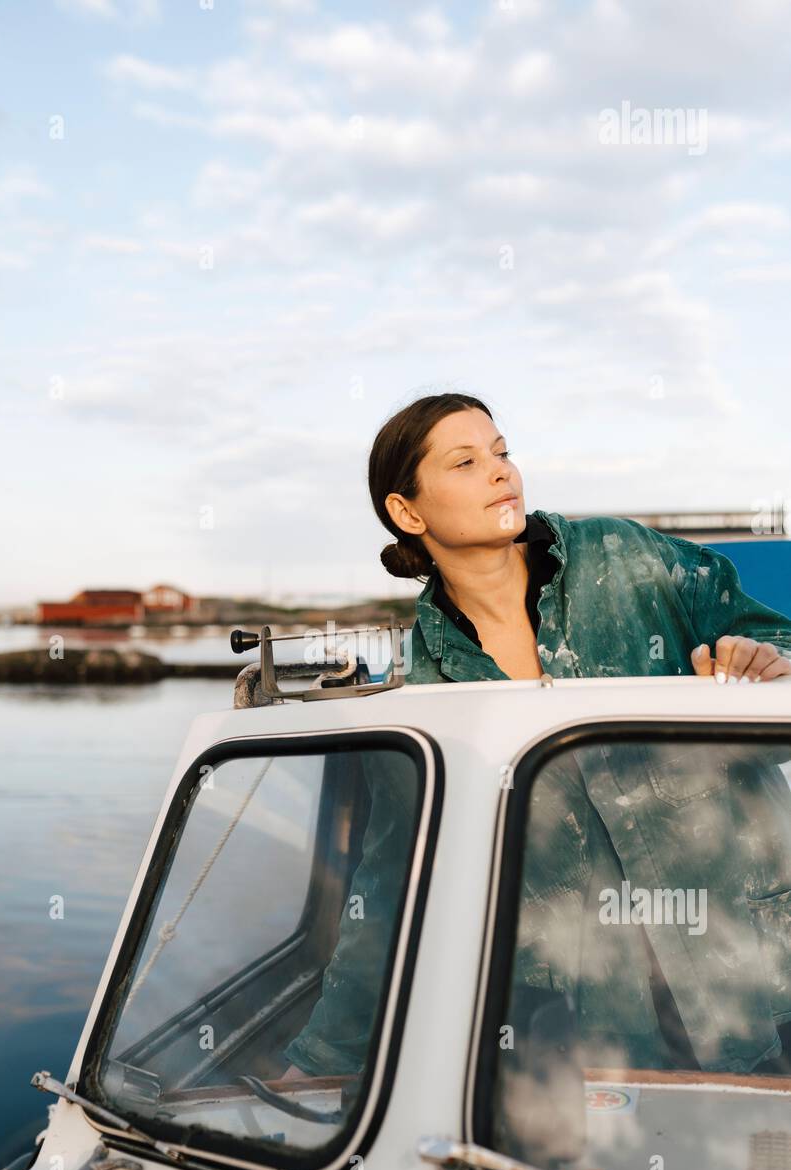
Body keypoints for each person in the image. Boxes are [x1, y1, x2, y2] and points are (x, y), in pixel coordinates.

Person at [280, 393, 791, 1081]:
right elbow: (393, 881)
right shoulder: (424, 690)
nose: (502, 473)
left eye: (502, 451)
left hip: (760, 975)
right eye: (466, 462)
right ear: (408, 512)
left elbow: (774, 640)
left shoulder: (627, 558)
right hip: (602, 1032)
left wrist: (757, 662)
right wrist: (318, 1064)